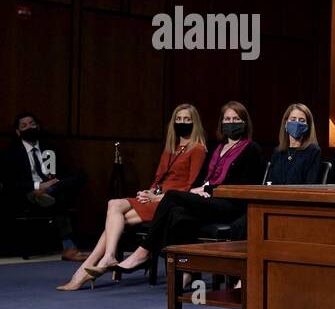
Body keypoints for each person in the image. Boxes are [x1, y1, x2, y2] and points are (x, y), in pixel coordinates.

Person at [58, 105, 207, 290]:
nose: (182, 123)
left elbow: (190, 187)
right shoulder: (171, 148)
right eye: (178, 119)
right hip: (157, 197)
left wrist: (159, 197)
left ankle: (86, 268)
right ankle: (106, 258)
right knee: (115, 209)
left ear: (195, 123)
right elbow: (159, 178)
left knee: (114, 216)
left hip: (170, 203)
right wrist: (148, 193)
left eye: (187, 120)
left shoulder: (198, 149)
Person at [113, 103, 266, 272]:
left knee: (172, 195)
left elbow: (245, 185)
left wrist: (207, 190)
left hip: (231, 205)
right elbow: (202, 179)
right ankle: (188, 270)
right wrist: (198, 189)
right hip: (209, 200)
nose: (231, 123)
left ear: (245, 122)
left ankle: (144, 251)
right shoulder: (218, 148)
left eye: (236, 119)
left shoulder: (252, 149)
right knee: (177, 213)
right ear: (221, 123)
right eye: (227, 119)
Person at [2, 112, 89, 260]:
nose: (29, 127)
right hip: (28, 192)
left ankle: (48, 192)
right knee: (59, 197)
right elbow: (10, 184)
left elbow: (58, 173)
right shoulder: (11, 153)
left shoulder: (49, 148)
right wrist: (38, 186)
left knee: (79, 175)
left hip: (50, 191)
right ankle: (69, 248)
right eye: (24, 125)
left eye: (32, 124)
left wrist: (51, 184)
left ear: (38, 126)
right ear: (18, 132)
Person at [267, 103, 324, 185]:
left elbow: (311, 185)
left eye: (302, 121)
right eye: (293, 119)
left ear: (307, 127)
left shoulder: (313, 152)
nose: (296, 123)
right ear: (286, 124)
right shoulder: (278, 152)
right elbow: (269, 183)